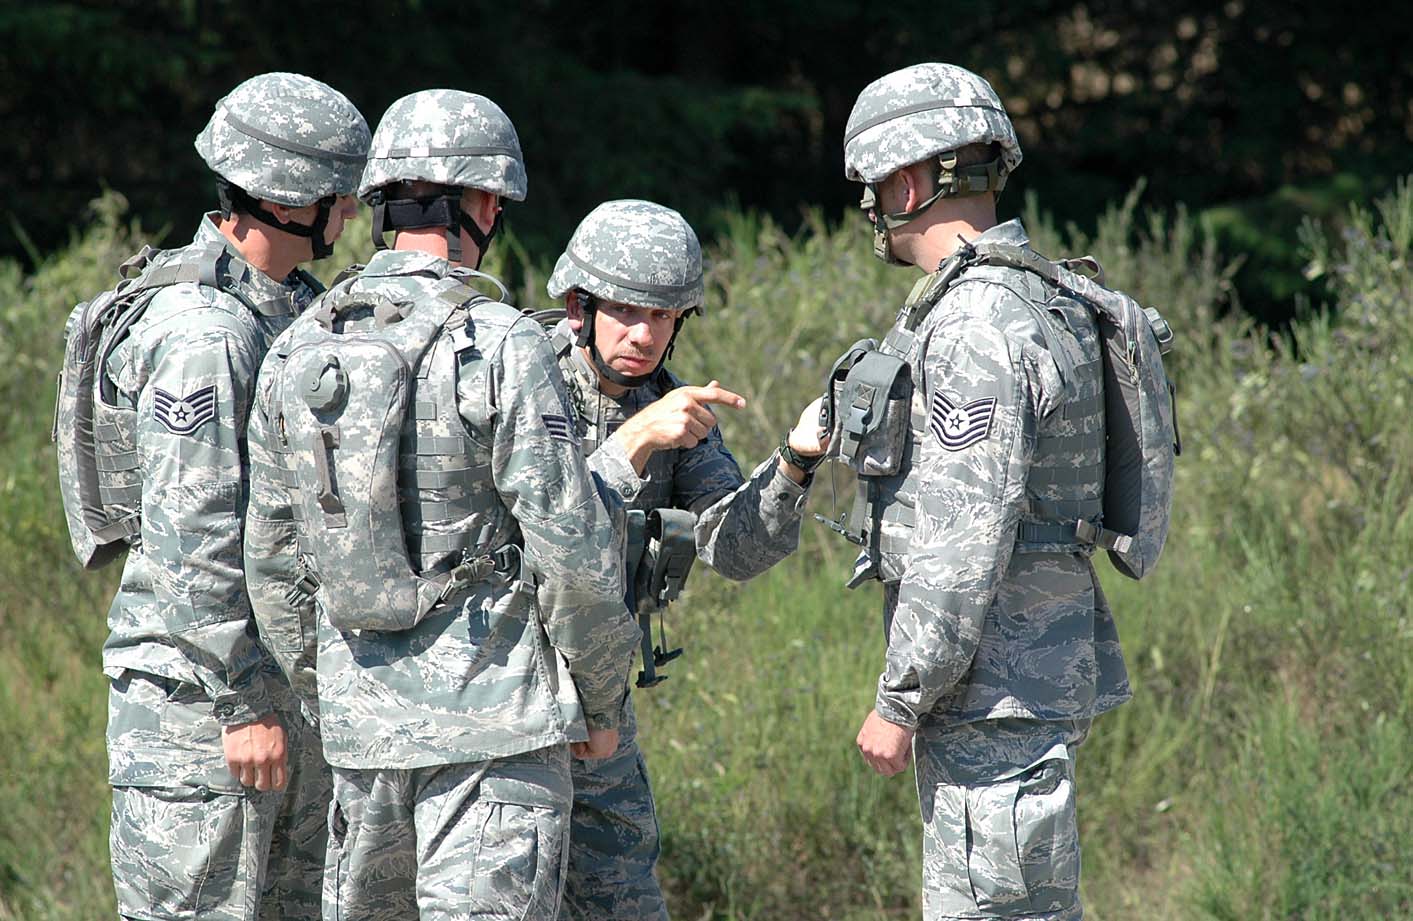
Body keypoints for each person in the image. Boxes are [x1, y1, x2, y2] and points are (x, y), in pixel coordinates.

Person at [243, 89, 640, 921]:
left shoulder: (298, 344)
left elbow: (274, 561)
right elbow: (573, 550)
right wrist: (599, 700)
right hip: (495, 738)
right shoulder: (502, 342)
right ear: (486, 203)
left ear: (383, 200)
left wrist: (332, 700)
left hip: (360, 741)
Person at [837, 63, 1133, 920]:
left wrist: (900, 697)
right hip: (1031, 674)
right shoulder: (1047, 297)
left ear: (904, 182)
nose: (871, 209)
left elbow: (961, 538)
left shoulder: (971, 323)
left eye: (872, 187)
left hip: (990, 695)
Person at [92, 72, 369, 920]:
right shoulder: (202, 332)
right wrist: (243, 703)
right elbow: (193, 536)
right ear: (293, 197)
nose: (351, 211)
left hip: (269, 701)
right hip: (202, 717)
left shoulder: (289, 312)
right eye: (338, 192)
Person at [543, 198, 829, 921]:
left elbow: (731, 546)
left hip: (600, 698)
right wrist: (635, 440)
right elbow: (534, 535)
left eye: (664, 316)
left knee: (625, 899)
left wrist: (794, 460)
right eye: (628, 311)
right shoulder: (517, 381)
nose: (644, 333)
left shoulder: (671, 404)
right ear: (581, 305)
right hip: (501, 697)